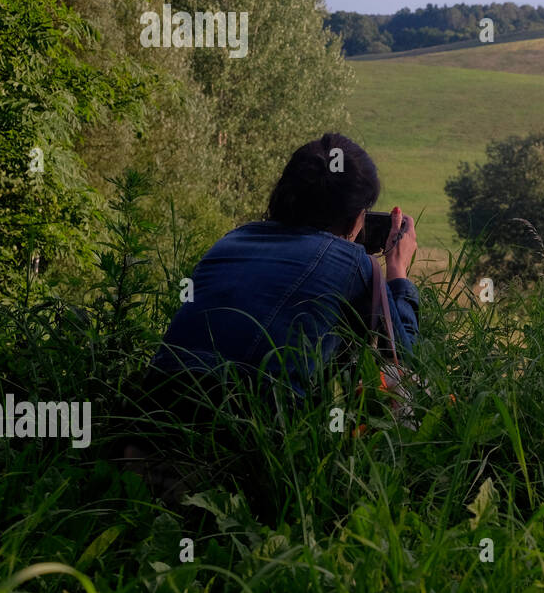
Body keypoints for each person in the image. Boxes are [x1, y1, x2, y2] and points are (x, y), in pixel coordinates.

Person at [138, 132, 421, 437]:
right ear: (356, 220)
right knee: (405, 390)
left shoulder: (231, 240)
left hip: (151, 414)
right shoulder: (354, 262)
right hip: (243, 431)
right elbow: (404, 358)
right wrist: (397, 271)